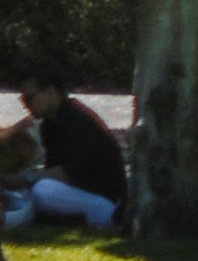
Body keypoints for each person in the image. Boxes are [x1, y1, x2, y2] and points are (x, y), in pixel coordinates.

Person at [11, 74, 129, 232]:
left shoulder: (79, 122)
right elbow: (53, 169)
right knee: (19, 192)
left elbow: (69, 173)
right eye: (22, 100)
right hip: (77, 194)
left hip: (105, 203)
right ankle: (20, 215)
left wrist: (27, 177)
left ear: (51, 92)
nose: (26, 105)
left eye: (29, 98)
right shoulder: (49, 125)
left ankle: (19, 218)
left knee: (42, 190)